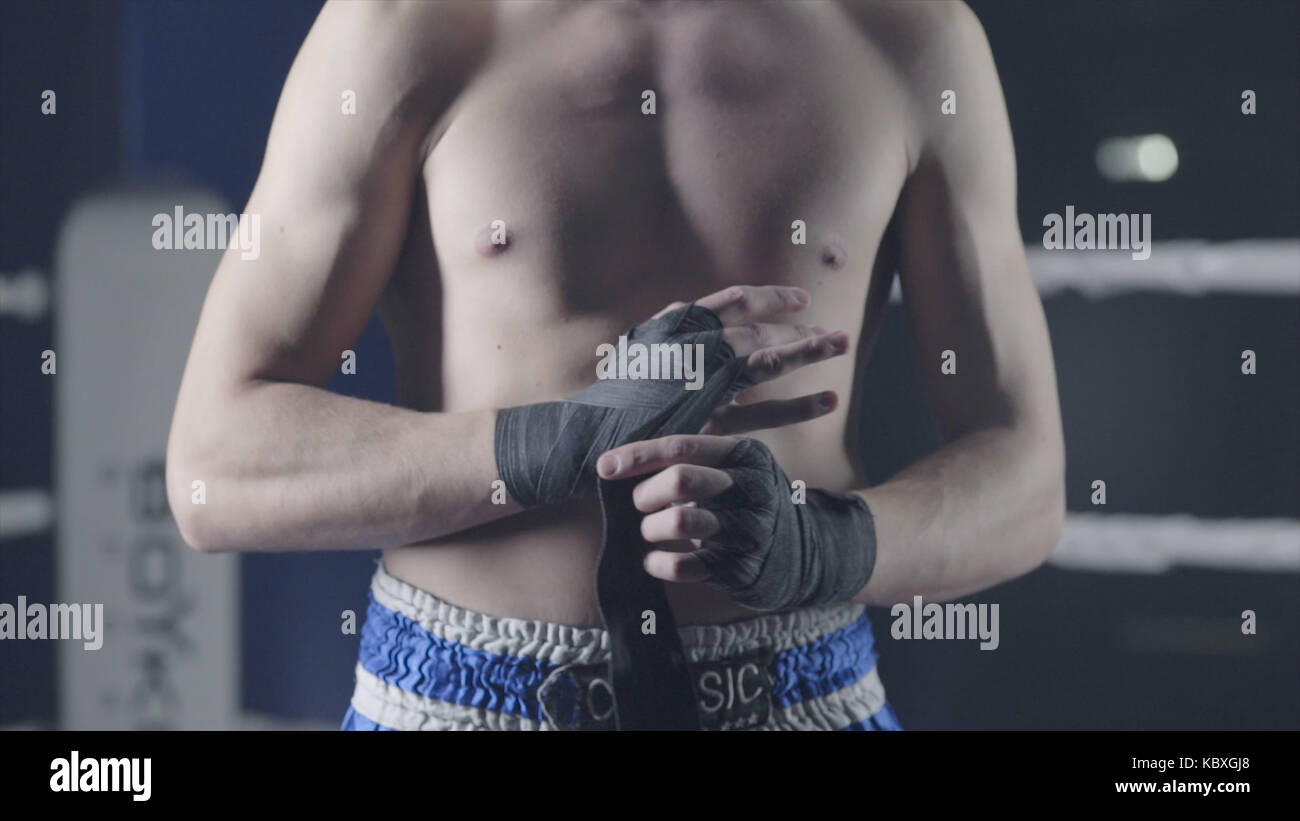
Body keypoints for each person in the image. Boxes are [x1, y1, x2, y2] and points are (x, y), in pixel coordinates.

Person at [166, 0, 1065, 731]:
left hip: (808, 697)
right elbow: (215, 467)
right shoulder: (402, 29)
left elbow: (1025, 478)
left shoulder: (911, 36)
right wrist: (557, 440)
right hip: (451, 703)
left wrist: (828, 546)